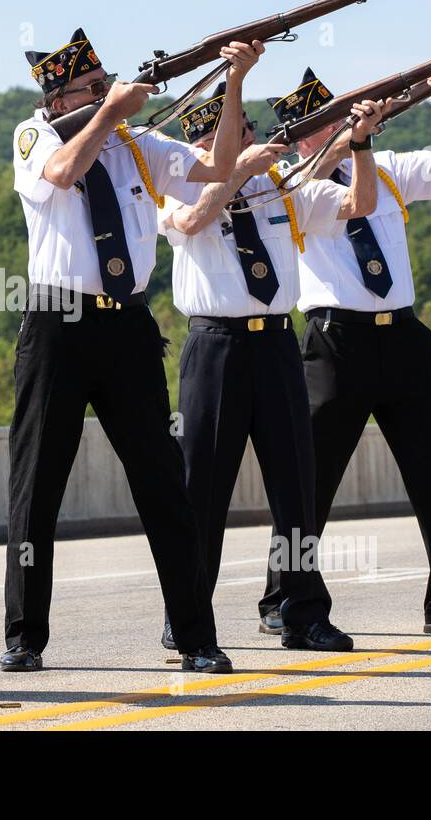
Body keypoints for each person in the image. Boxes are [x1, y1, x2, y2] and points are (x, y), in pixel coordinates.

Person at [2, 28, 262, 674]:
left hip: (129, 326)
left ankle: (196, 634)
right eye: (91, 90)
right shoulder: (34, 135)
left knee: (163, 483)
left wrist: (233, 84)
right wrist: (111, 111)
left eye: (105, 85)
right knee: (37, 486)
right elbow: (63, 173)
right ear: (58, 96)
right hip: (57, 323)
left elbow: (218, 167)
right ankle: (24, 635)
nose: (104, 94)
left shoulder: (139, 147)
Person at [255, 67, 431, 637]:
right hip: (335, 339)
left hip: (401, 336)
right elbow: (309, 180)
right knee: (310, 480)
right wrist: (352, 137)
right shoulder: (287, 178)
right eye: (330, 122)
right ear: (303, 134)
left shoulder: (384, 170)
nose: (344, 127)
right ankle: (282, 596)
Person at [158, 86, 389, 651]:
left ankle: (303, 610)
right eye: (215, 141)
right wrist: (232, 173)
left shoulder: (282, 188)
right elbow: (191, 223)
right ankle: (187, 615)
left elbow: (359, 205)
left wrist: (358, 146)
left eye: (240, 135)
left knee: (296, 487)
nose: (235, 146)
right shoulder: (177, 187)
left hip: (278, 344)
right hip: (216, 345)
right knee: (202, 489)